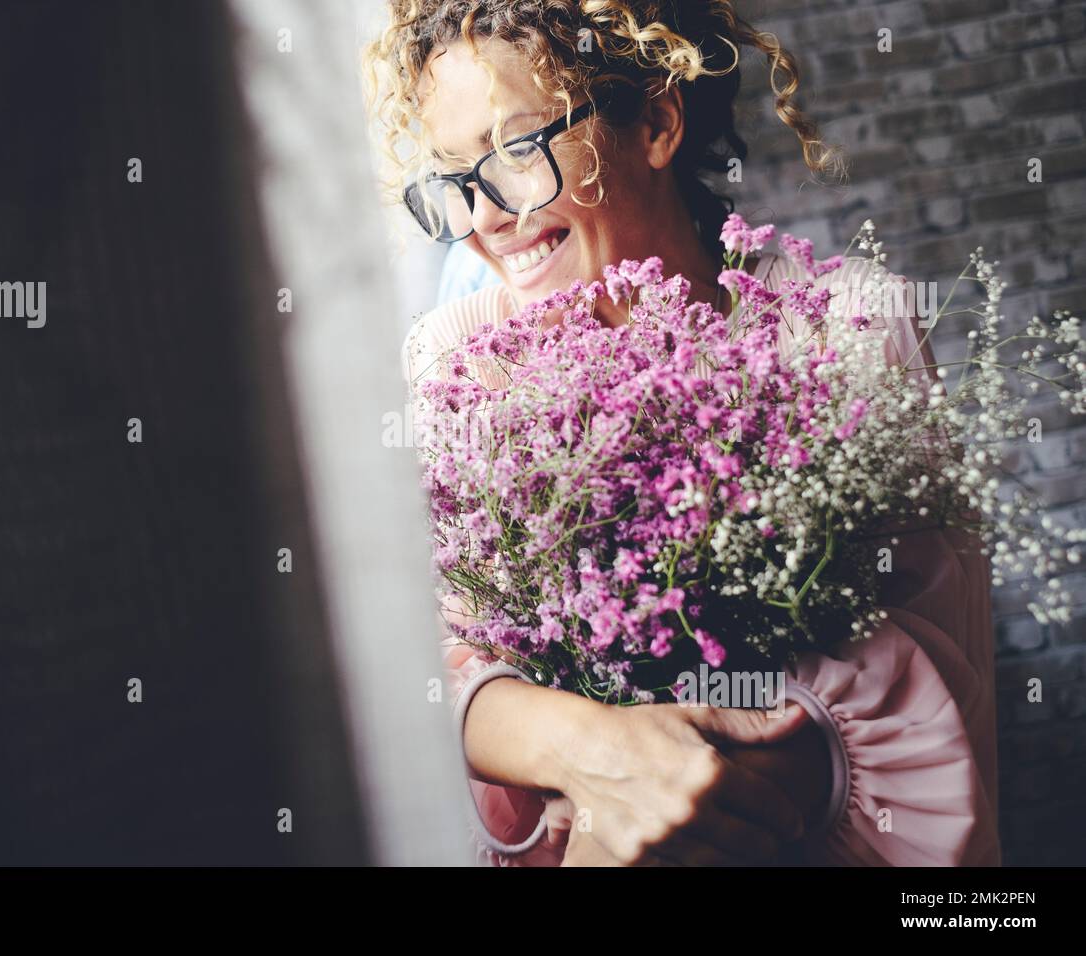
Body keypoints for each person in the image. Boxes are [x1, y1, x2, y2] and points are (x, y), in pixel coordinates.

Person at [365, 0, 999, 866]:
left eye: (516, 151)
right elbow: (421, 661)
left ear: (658, 122)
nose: (485, 217)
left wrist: (685, 779)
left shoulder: (843, 323)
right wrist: (588, 749)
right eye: (455, 174)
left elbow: (936, 658)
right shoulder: (451, 360)